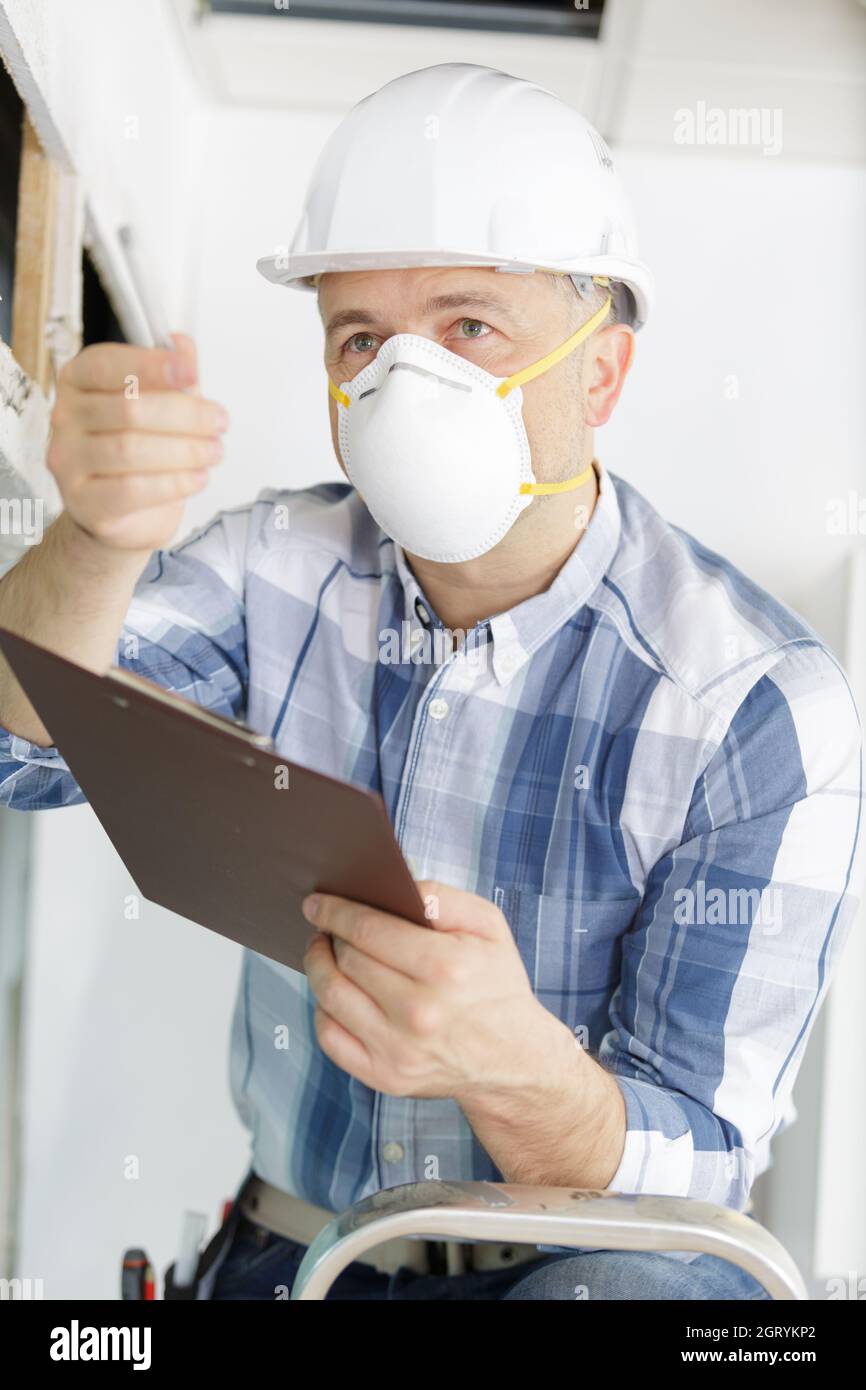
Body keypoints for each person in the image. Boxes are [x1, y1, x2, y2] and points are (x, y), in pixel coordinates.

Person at [0, 63, 860, 1301]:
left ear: (599, 374)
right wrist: (93, 538)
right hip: (299, 1253)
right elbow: (22, 752)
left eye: (467, 326)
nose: (408, 384)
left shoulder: (754, 709)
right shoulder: (274, 568)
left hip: (578, 1274)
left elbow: (700, 1182)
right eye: (362, 338)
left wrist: (513, 1066)